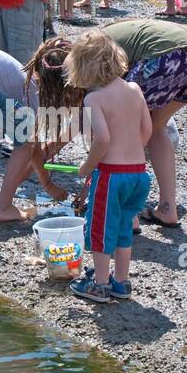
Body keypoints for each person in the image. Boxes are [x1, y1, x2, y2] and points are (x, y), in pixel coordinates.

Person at [28, 19, 187, 229]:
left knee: (122, 128)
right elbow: (81, 122)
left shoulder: (88, 58)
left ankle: (129, 217)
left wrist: (88, 185)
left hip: (164, 55)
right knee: (157, 128)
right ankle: (167, 210)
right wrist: (42, 161)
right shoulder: (92, 49)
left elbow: (103, 134)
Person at [64, 30, 153, 304]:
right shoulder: (134, 89)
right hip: (138, 175)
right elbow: (147, 131)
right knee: (124, 226)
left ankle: (100, 285)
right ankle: (121, 282)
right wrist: (129, 154)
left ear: (82, 68)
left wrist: (88, 166)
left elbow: (102, 138)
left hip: (111, 175)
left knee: (100, 229)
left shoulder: (94, 99)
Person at [0, 45, 62, 222]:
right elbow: (34, 148)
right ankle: (4, 207)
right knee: (26, 141)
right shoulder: (33, 92)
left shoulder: (21, 72)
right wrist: (48, 184)